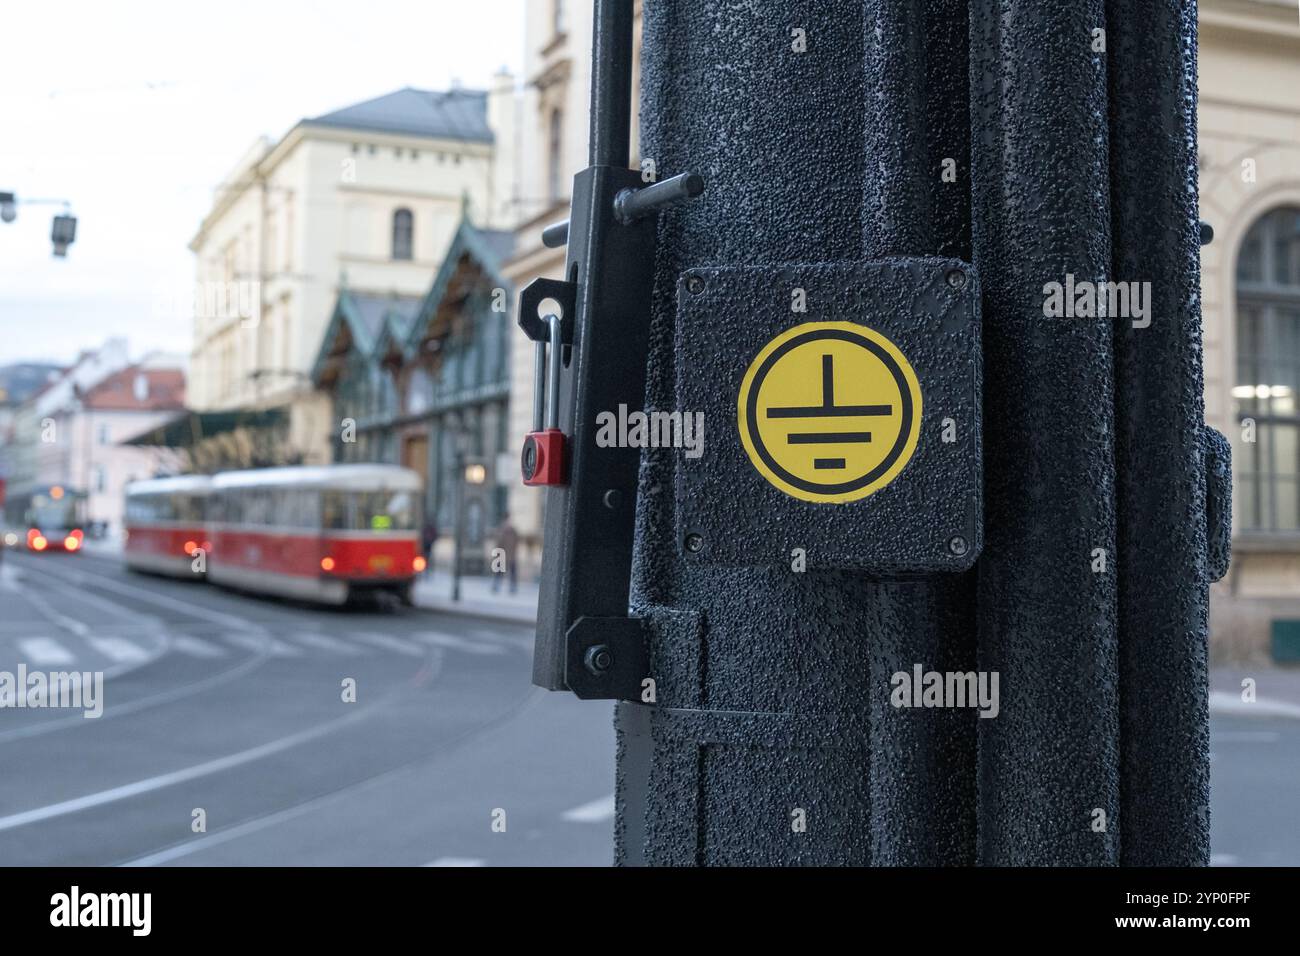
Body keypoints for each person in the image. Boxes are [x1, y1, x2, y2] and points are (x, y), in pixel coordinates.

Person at [492, 514, 519, 594]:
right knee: (499, 571)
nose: (509, 522)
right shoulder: (501, 530)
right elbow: (498, 543)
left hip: (511, 555)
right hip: (502, 554)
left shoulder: (513, 531)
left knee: (513, 572)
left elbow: (516, 542)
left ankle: (512, 587)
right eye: (507, 520)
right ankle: (496, 586)